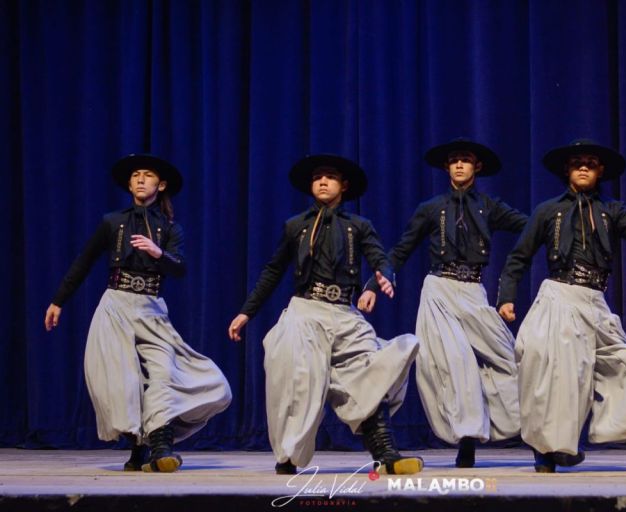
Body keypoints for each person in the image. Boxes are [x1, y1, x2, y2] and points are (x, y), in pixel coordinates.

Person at [497, 139, 626, 473]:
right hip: (558, 297)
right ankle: (548, 451)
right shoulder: (548, 211)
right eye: (577, 162)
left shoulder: (613, 211)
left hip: (594, 302)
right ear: (567, 170)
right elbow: (518, 258)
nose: (583, 167)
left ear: (599, 171)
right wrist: (506, 297)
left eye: (591, 162)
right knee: (552, 375)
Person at [228, 154, 422, 475]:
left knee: (367, 371)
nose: (322, 182)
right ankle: (289, 455)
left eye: (330, 177)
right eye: (318, 177)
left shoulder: (358, 226)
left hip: (344, 312)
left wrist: (379, 279)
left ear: (343, 186)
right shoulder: (296, 226)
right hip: (305, 311)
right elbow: (273, 271)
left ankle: (386, 453)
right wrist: (246, 312)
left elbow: (379, 257)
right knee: (297, 380)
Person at [45, 154, 232, 473]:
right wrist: (58, 301)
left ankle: (158, 443)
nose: (141, 179)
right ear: (130, 184)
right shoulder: (113, 221)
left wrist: (159, 253)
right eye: (136, 175)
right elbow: (84, 261)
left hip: (151, 308)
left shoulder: (170, 228)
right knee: (125, 380)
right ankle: (144, 447)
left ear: (161, 185)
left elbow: (181, 268)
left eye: (148, 175)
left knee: (164, 374)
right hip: (117, 303)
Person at [360, 138, 527, 467]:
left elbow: (530, 226)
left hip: (474, 291)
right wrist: (373, 283)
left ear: (476, 167)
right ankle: (467, 439)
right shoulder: (431, 208)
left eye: (466, 160)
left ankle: (533, 431)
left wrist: (561, 226)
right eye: (454, 161)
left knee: (508, 358)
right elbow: (402, 248)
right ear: (447, 168)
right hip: (440, 289)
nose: (460, 165)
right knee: (456, 365)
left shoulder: (489, 206)